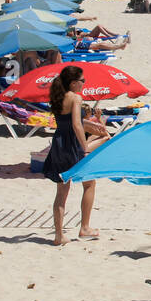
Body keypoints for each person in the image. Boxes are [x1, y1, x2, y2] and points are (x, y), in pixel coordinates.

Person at [43, 66, 106, 246]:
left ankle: (58, 235)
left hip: (58, 143)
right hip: (71, 144)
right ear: (73, 83)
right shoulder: (76, 98)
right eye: (82, 81)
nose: (84, 84)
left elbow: (68, 121)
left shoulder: (58, 96)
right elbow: (76, 126)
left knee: (61, 192)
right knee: (89, 183)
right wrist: (84, 147)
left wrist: (88, 123)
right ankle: (84, 227)